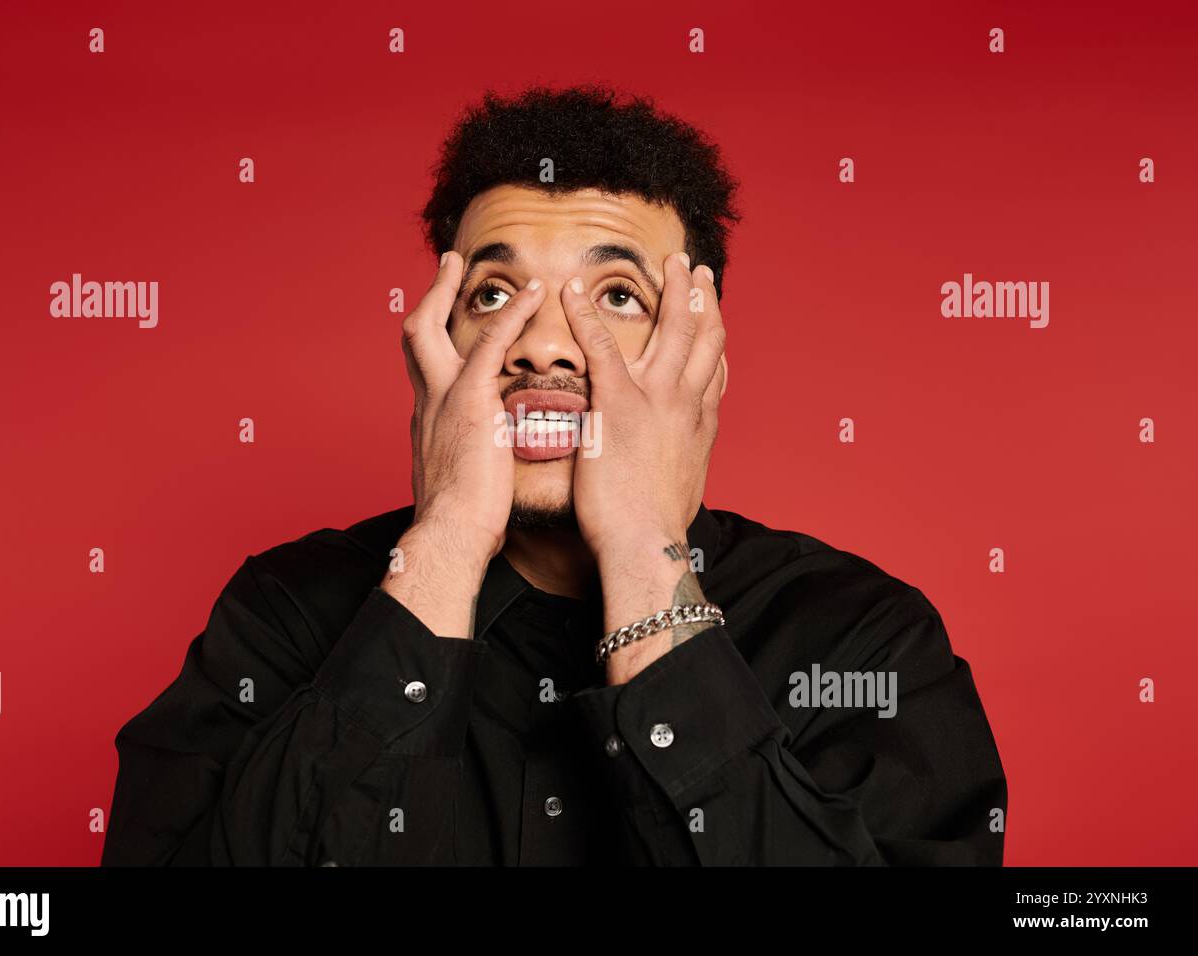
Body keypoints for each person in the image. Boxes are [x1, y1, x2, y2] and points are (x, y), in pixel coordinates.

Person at [101, 85, 1007, 866]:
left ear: (705, 361)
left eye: (617, 297)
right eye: (492, 297)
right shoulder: (283, 617)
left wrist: (648, 558)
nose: (540, 347)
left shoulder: (862, 643)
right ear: (436, 350)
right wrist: (450, 535)